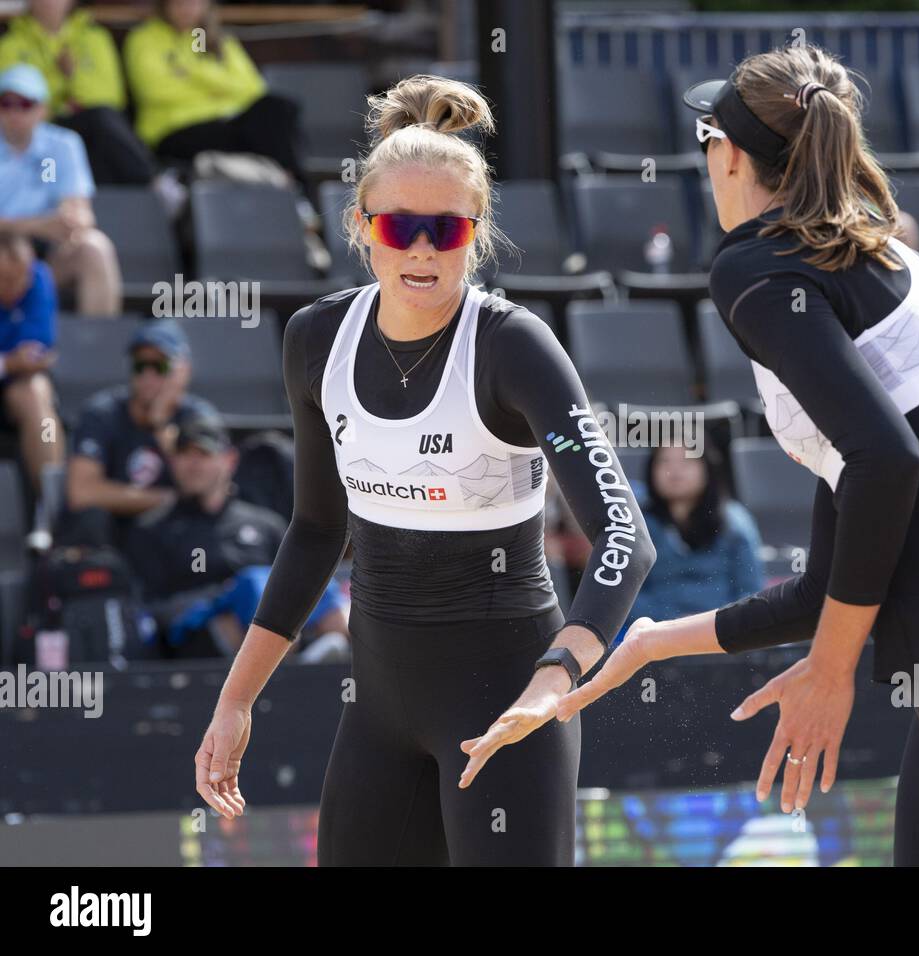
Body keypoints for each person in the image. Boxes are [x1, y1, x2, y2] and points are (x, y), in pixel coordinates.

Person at [558, 44, 919, 868]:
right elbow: (837, 577)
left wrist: (830, 672)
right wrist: (651, 641)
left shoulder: (760, 265)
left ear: (732, 152)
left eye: (708, 136)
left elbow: (888, 462)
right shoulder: (887, 266)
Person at [193, 75, 655, 866]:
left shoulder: (512, 345)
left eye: (444, 230)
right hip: (378, 714)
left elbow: (624, 536)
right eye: (398, 225)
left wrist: (557, 677)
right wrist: (236, 700)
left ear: (473, 236)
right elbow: (313, 530)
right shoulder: (316, 339)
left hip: (508, 707)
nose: (419, 249)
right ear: (361, 227)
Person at [123, 411, 349, 659]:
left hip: (267, 622)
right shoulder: (153, 529)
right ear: (172, 462)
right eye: (184, 454)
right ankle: (288, 662)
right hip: (199, 635)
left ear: (229, 460)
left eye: (204, 454)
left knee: (314, 579)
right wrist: (221, 596)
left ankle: (337, 654)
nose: (193, 464)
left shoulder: (264, 524)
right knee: (252, 584)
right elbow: (146, 609)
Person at [0, 0, 184, 208]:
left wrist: (71, 78)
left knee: (100, 127)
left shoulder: (95, 37)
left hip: (88, 126)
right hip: (38, 129)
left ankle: (138, 212)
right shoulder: (10, 44)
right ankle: (154, 184)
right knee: (91, 131)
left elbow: (111, 97)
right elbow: (14, 99)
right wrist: (59, 80)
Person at [62, 318, 217, 546]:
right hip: (114, 536)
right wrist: (165, 500)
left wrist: (162, 428)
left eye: (160, 366)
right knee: (91, 520)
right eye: (140, 366)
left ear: (183, 372)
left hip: (172, 541)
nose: (148, 376)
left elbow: (206, 493)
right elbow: (82, 493)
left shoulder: (197, 417)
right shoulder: (102, 413)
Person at [123, 0, 306, 186]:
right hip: (175, 130)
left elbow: (253, 88)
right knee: (266, 136)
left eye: (195, 3)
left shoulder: (203, 38)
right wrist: (217, 90)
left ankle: (290, 183)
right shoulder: (145, 38)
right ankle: (295, 190)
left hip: (225, 123)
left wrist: (190, 73)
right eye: (180, 3)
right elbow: (154, 91)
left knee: (279, 107)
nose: (187, 9)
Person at [0, 63, 121, 316]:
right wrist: (33, 226)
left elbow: (80, 208)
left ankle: (96, 347)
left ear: (42, 109)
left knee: (94, 247)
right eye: (6, 103)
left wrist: (73, 220)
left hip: (49, 253)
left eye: (24, 104)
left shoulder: (62, 145)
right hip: (4, 249)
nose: (14, 112)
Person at [616, 440, 763, 644]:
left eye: (686, 462)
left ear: (707, 469)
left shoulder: (735, 523)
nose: (675, 471)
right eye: (665, 461)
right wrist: (673, 623)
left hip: (723, 636)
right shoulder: (636, 525)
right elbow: (625, 596)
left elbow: (750, 591)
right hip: (653, 635)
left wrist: (709, 626)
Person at [0, 232, 63, 498]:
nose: (19, 286)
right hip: (9, 369)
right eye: (6, 279)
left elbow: (39, 347)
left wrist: (15, 364)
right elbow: (19, 358)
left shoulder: (38, 278)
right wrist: (9, 362)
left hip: (15, 384)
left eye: (23, 276)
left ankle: (53, 507)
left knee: (37, 395)